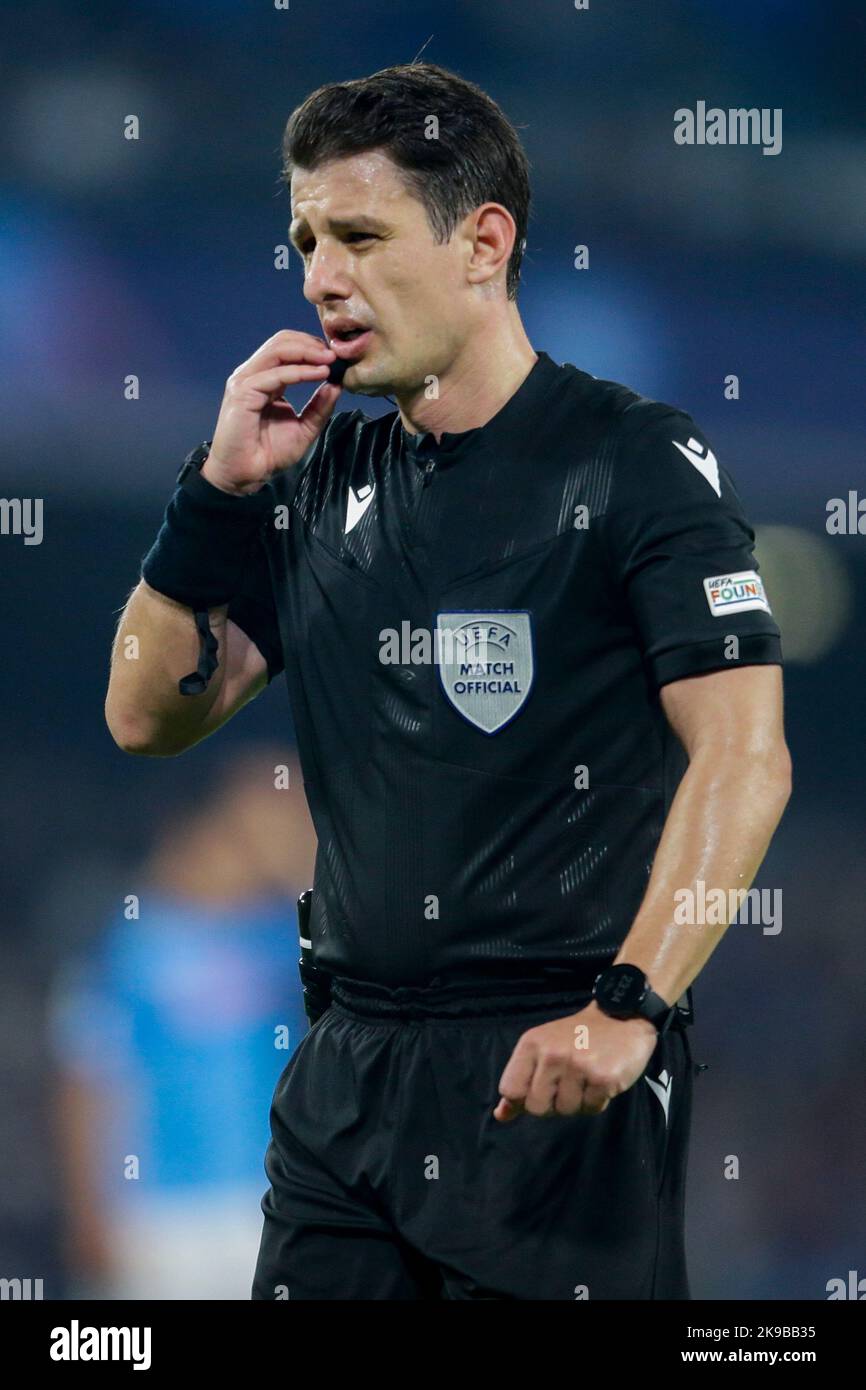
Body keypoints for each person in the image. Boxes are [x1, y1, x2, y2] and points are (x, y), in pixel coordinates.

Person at [105, 62, 791, 1300]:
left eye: (360, 236)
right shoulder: (317, 481)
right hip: (344, 1072)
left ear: (482, 243)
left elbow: (743, 753)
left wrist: (628, 1007)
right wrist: (210, 495)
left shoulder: (629, 458)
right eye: (306, 239)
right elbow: (145, 714)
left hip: (551, 1063)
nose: (320, 275)